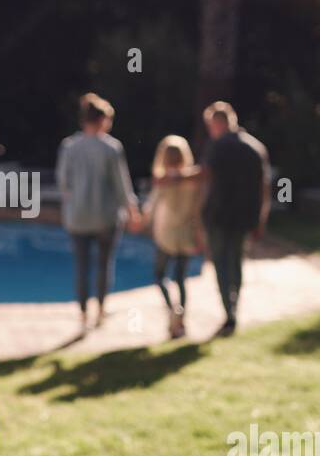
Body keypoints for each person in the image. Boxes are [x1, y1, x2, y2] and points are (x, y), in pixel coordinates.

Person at [55, 93, 141, 332]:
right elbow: (122, 185)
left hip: (78, 218)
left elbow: (63, 183)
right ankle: (101, 310)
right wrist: (133, 212)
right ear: (103, 120)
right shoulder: (111, 148)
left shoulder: (69, 147)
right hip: (107, 218)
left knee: (82, 266)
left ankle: (83, 313)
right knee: (105, 265)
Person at [197, 101, 269, 336]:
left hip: (218, 216)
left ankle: (228, 312)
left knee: (220, 264)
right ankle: (234, 307)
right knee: (236, 262)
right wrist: (261, 219)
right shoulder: (255, 148)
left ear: (218, 123)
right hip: (244, 217)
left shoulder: (216, 147)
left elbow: (205, 182)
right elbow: (264, 189)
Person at [142, 135, 205, 339]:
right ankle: (181, 318)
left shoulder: (162, 180)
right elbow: (199, 208)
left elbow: (151, 206)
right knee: (181, 279)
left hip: (166, 234)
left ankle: (172, 310)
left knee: (160, 276)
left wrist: (141, 221)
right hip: (186, 234)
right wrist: (199, 233)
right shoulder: (193, 179)